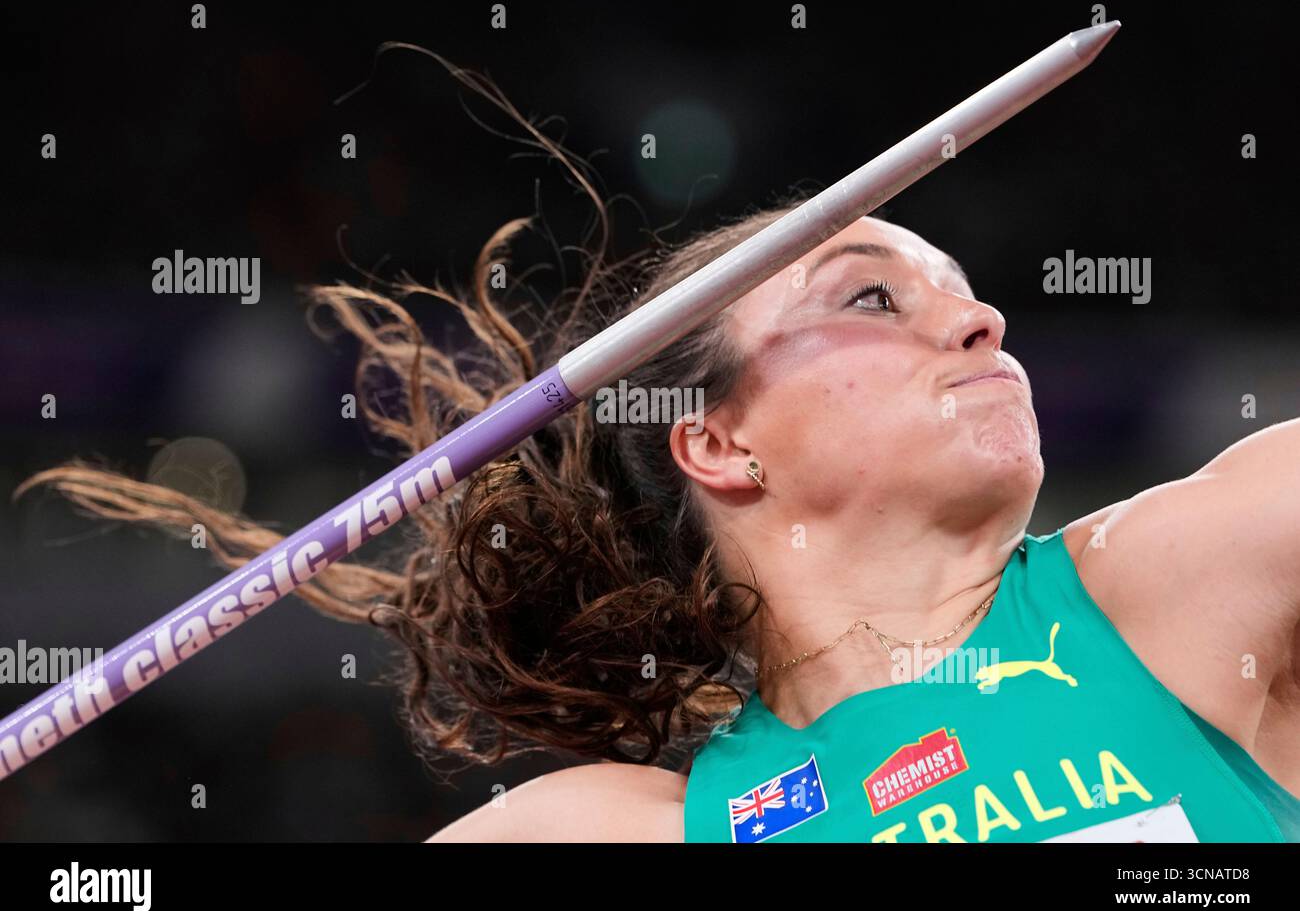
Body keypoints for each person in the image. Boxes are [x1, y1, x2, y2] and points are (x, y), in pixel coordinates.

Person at [22, 65, 1299, 843]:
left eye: (962, 291)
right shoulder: (630, 827)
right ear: (717, 441)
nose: (979, 318)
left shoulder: (1177, 585)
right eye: (871, 298)